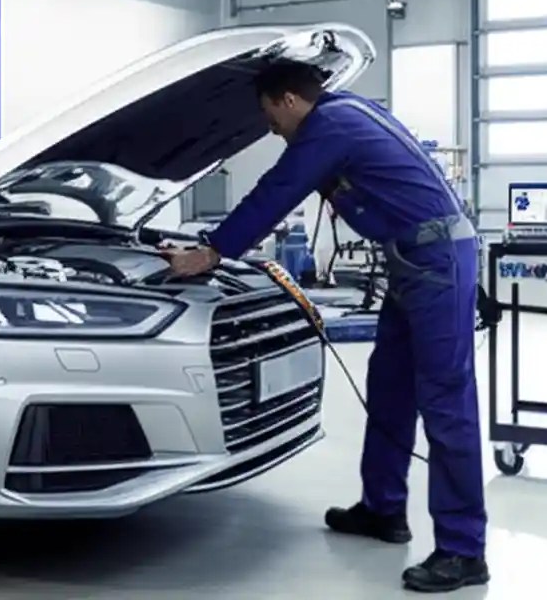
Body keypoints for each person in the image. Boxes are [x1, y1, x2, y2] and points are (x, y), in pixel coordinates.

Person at [162, 60, 489, 593]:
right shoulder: (349, 112)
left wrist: (212, 253)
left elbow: (276, 191)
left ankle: (463, 549)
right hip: (415, 261)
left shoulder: (329, 128)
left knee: (446, 402)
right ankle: (383, 509)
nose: (273, 129)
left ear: (289, 100)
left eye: (271, 117)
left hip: (436, 262)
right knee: (389, 388)